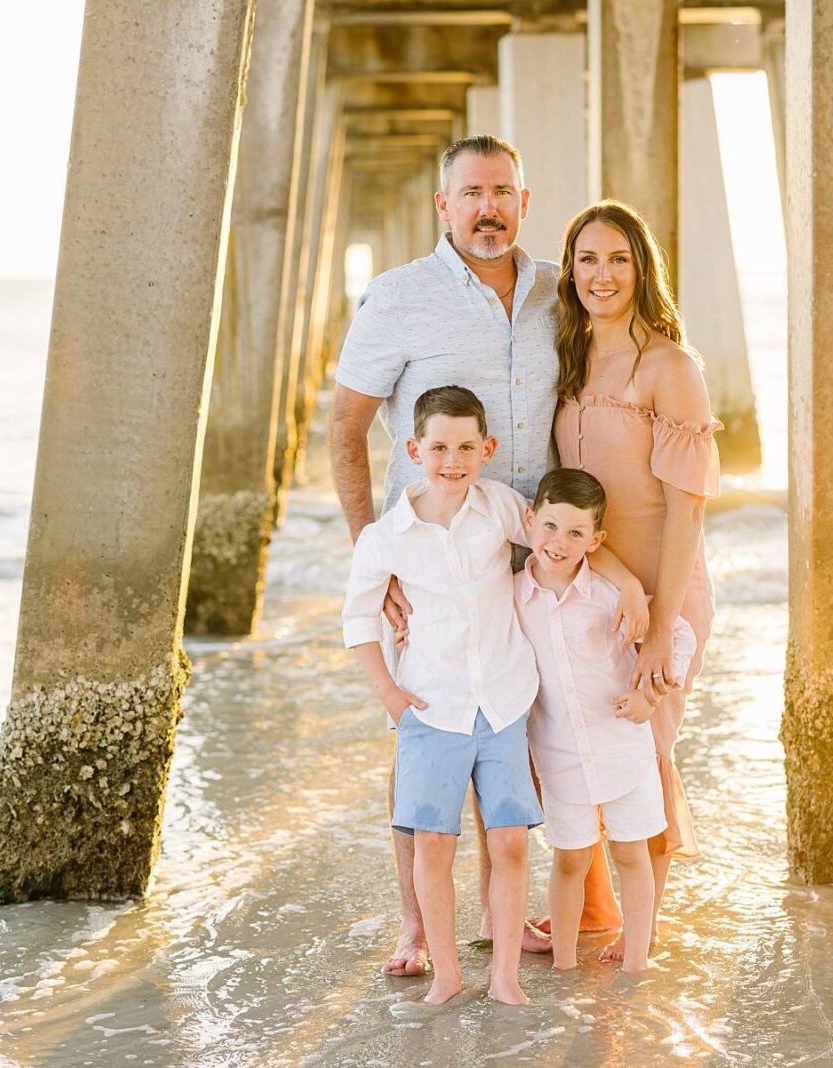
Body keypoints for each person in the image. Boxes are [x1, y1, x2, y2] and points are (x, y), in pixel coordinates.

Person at [329, 135, 637, 978]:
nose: (488, 209)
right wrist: (375, 559)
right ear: (444, 205)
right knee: (426, 740)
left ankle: (555, 910)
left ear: (524, 202)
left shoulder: (556, 294)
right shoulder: (399, 297)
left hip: (539, 559)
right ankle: (415, 929)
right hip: (431, 561)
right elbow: (346, 429)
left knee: (536, 728)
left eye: (502, 192)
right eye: (471, 194)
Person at [551, 200, 723, 962]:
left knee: (645, 753)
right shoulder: (572, 359)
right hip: (603, 583)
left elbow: (688, 510)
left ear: (641, 269)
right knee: (588, 745)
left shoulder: (670, 368)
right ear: (570, 272)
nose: (603, 275)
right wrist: (614, 579)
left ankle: (641, 942)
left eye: (618, 259)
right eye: (588, 259)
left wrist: (660, 626)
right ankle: (597, 912)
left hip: (668, 589)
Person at [341, 386, 542, 1006]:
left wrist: (625, 590)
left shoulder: (499, 506)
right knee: (433, 843)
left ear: (488, 448)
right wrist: (390, 696)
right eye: (438, 448)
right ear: (414, 451)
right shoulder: (387, 536)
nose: (452, 461)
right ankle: (448, 974)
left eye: (465, 448)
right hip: (432, 707)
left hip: (503, 700)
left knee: (511, 841)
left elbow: (558, 545)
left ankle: (504, 977)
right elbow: (358, 620)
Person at [516, 468, 696, 974]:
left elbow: (678, 634)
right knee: (570, 860)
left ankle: (636, 963)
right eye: (550, 526)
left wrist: (650, 695)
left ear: (596, 541)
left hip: (622, 748)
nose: (559, 542)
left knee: (630, 854)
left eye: (576, 533)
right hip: (559, 755)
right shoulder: (512, 599)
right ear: (530, 521)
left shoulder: (610, 595)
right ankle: (564, 967)